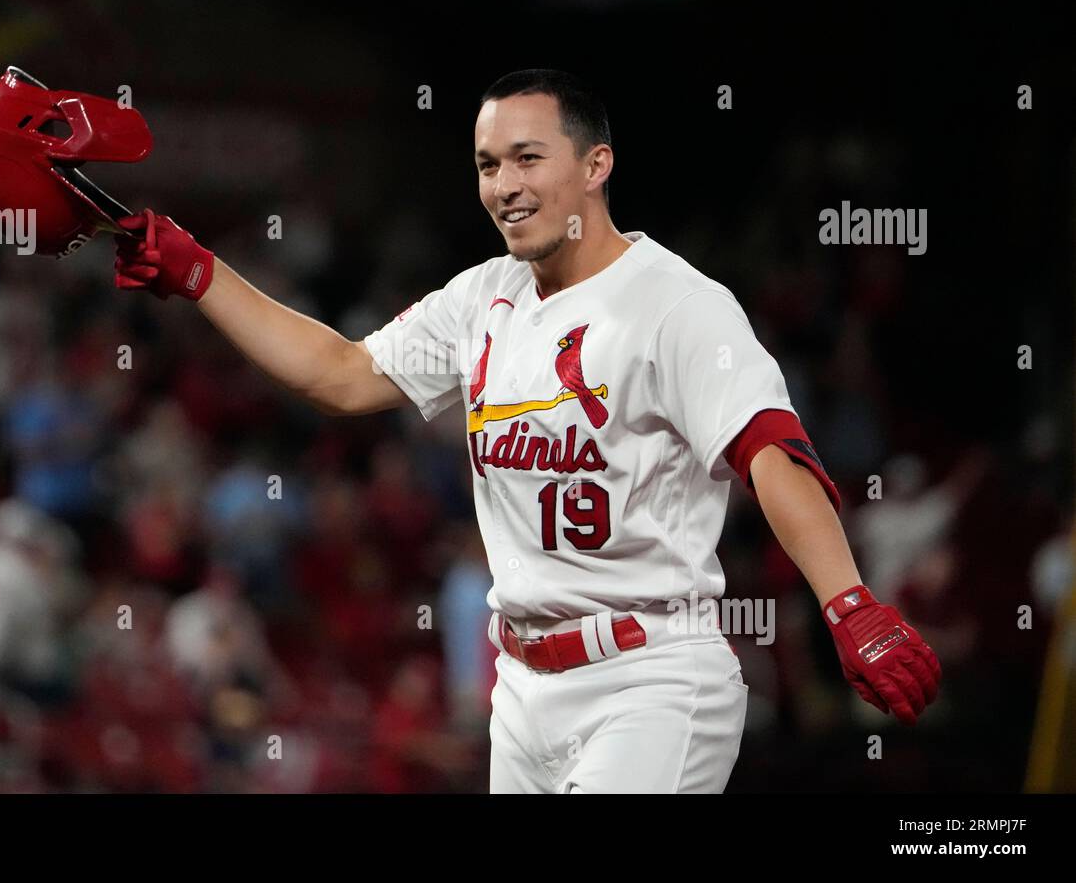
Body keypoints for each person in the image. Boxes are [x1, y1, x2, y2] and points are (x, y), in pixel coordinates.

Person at [111, 68, 941, 793]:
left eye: (527, 158)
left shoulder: (678, 304)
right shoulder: (483, 297)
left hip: (650, 678)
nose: (503, 183)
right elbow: (339, 375)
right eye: (486, 164)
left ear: (596, 165)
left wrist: (849, 603)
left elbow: (771, 450)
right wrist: (200, 273)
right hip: (523, 687)